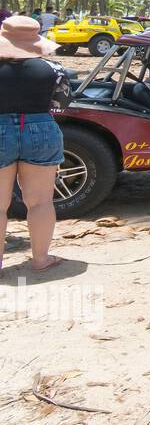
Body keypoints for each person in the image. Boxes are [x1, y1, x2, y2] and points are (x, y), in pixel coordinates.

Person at [0, 16, 69, 273]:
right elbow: (62, 104)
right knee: (40, 202)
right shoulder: (54, 69)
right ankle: (41, 259)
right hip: (41, 127)